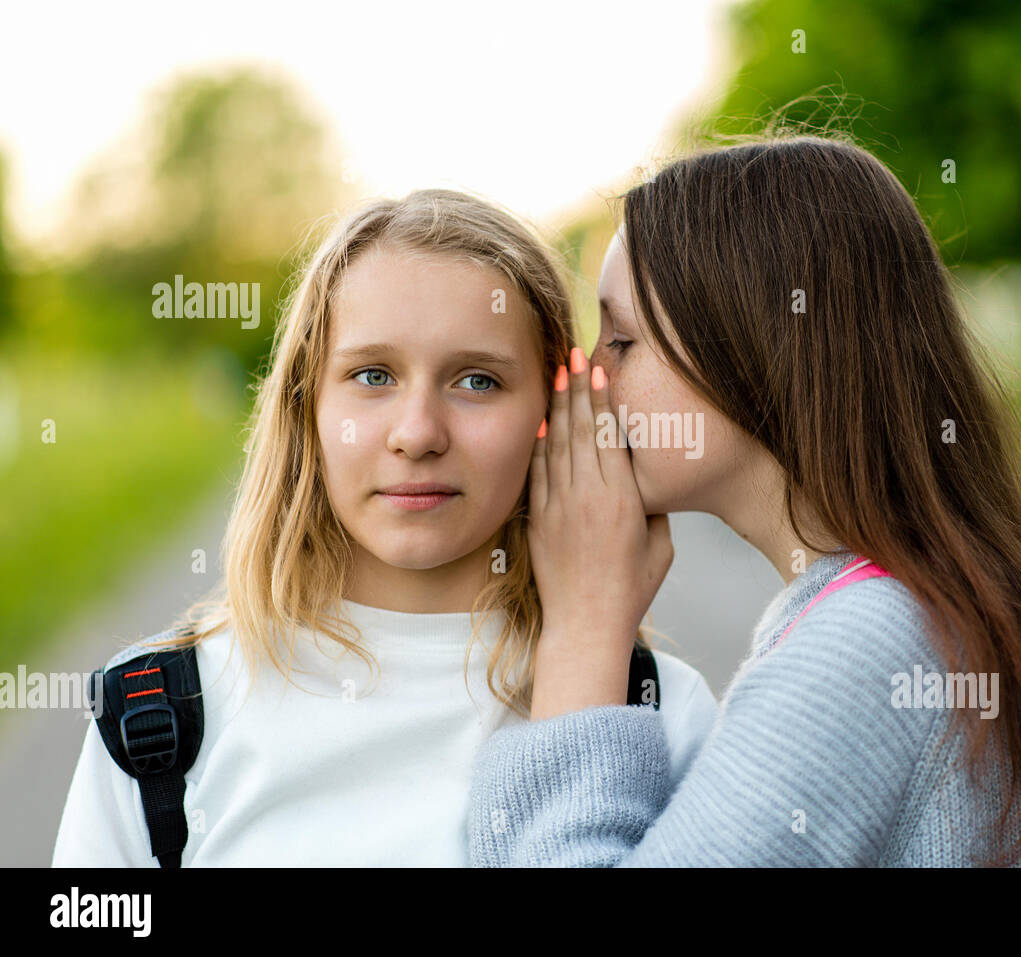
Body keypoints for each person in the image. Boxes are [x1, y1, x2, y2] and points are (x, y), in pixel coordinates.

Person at [468, 135, 1021, 867]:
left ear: (756, 348)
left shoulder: (869, 644)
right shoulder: (915, 609)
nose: (591, 375)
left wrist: (585, 624)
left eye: (622, 339)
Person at [51, 189, 718, 867]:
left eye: (478, 381)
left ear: (557, 410)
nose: (419, 432)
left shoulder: (658, 713)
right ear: (306, 405)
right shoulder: (157, 714)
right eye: (373, 375)